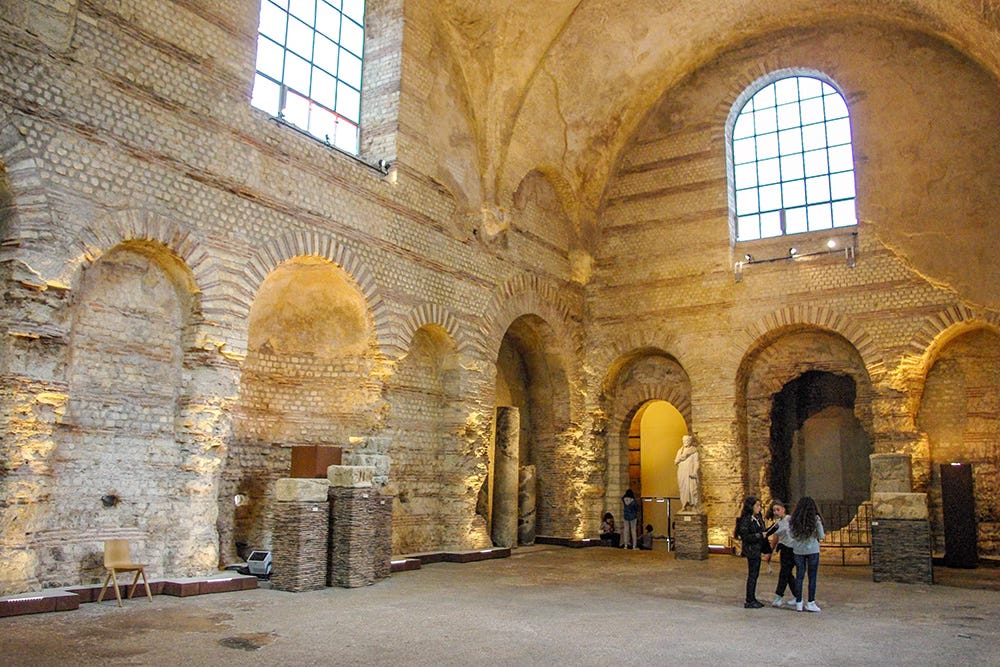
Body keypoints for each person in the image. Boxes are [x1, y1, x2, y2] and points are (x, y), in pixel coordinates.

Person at [789, 496, 825, 612]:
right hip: (813, 550)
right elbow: (821, 535)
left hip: (798, 551)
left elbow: (792, 535)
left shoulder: (794, 519)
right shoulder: (815, 519)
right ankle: (811, 602)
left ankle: (799, 602)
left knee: (799, 576)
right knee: (812, 577)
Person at [765, 499, 799, 608]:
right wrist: (769, 551)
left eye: (778, 509)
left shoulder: (790, 520)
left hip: (792, 549)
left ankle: (779, 596)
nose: (776, 512)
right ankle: (797, 596)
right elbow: (775, 538)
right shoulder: (777, 524)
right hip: (784, 549)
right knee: (787, 574)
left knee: (785, 573)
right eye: (774, 510)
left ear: (783, 509)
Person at [734, 496, 767, 608]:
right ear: (751, 506)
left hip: (757, 549)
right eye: (757, 505)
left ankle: (752, 598)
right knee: (752, 575)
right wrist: (758, 535)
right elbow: (745, 536)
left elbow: (762, 529)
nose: (759, 508)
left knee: (755, 574)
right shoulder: (746, 519)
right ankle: (749, 600)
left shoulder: (757, 517)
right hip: (751, 550)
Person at [674, 434, 701, 511]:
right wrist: (680, 458)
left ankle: (694, 505)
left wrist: (695, 472)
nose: (685, 442)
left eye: (687, 441)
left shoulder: (694, 451)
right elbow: (676, 461)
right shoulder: (680, 451)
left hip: (690, 473)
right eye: (684, 441)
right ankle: (684, 505)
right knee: (683, 489)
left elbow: (697, 462)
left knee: (692, 489)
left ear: (690, 441)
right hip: (682, 473)